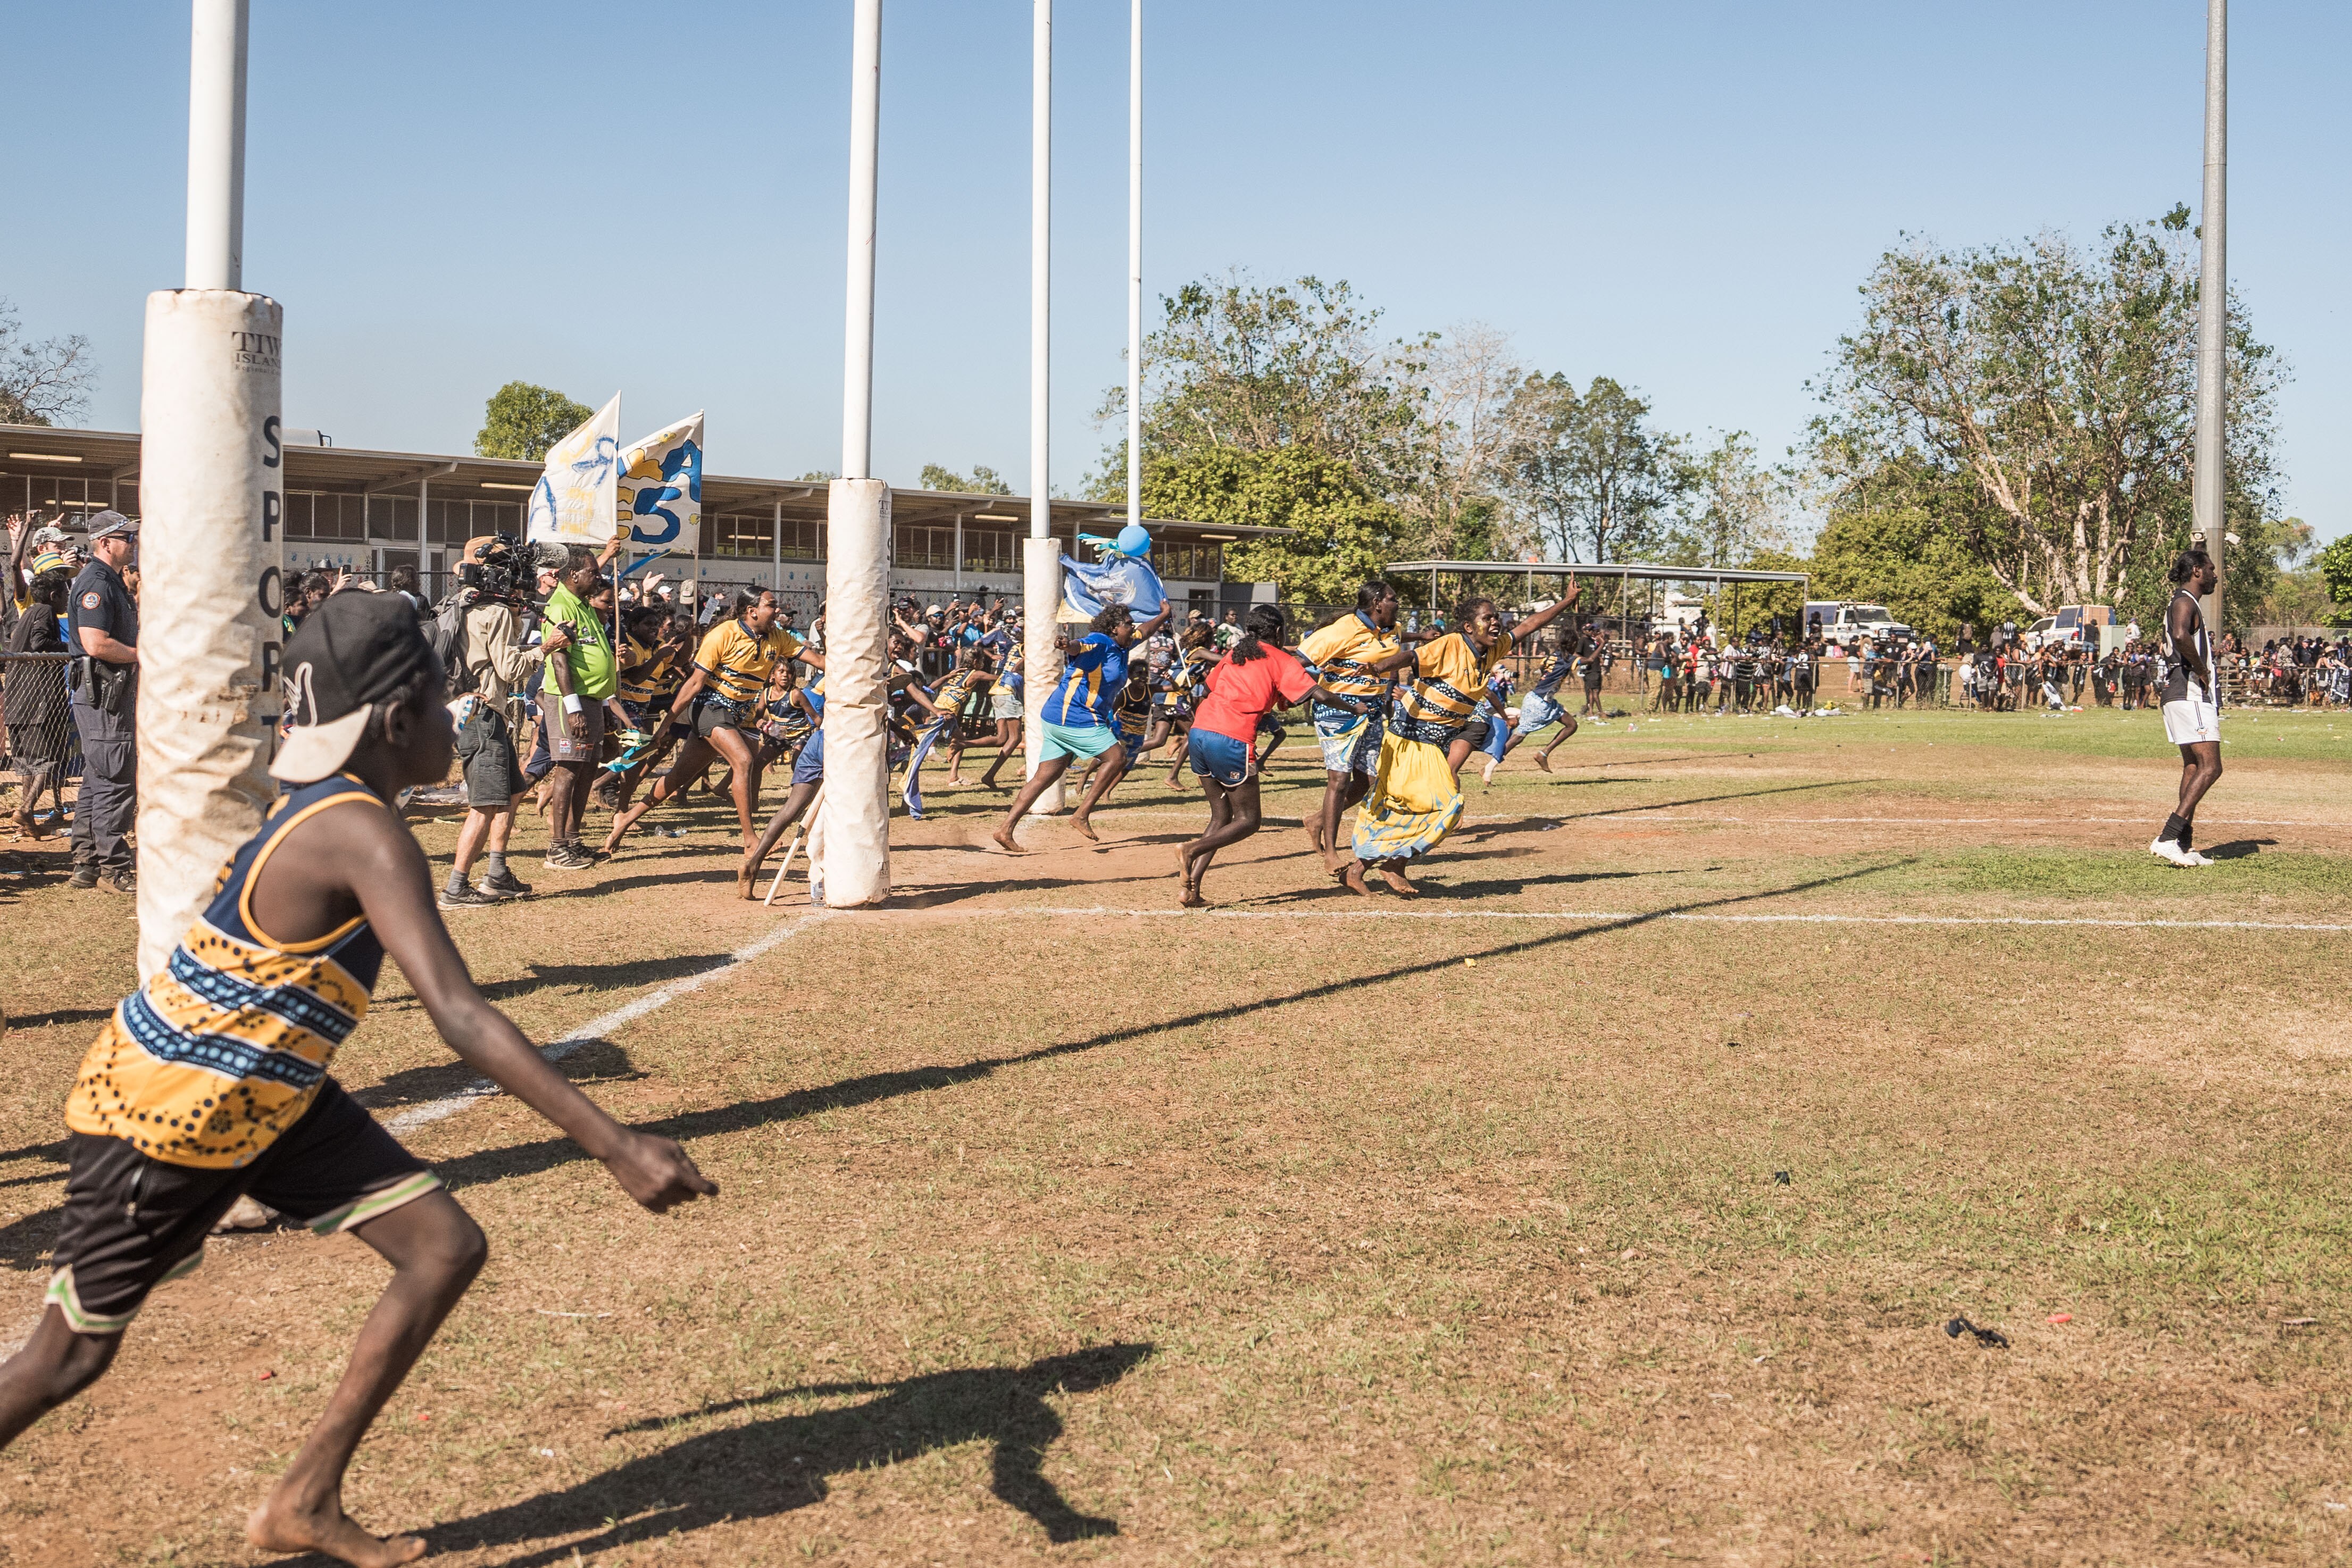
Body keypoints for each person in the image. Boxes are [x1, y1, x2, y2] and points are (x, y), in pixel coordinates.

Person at [0, 593, 714, 1567]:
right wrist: (616, 1143)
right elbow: (459, 1014)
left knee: (442, 1244)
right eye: (440, 693)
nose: (455, 713)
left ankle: (304, 1498)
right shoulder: (359, 830)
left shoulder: (333, 809)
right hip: (169, 1111)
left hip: (268, 1095)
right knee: (66, 1357)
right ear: (394, 720)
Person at [1342, 581, 1579, 896]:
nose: (1495, 622)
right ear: (1469, 626)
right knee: (1446, 805)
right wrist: (1377, 666)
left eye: (1496, 617)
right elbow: (1411, 657)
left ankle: (1363, 869)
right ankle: (1391, 865)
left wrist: (1567, 600)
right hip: (1411, 735)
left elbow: (1530, 624)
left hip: (1438, 738)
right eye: (1487, 618)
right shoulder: (1452, 644)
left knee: (1413, 807)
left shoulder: (1492, 649)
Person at [605, 590, 816, 858]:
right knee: (744, 761)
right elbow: (693, 683)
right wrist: (664, 726)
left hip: (736, 714)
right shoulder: (722, 634)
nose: (778, 610)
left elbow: (818, 661)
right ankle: (751, 840)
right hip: (708, 707)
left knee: (678, 777)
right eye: (771, 605)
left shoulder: (778, 638)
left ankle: (625, 818)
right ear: (752, 611)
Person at [1174, 605, 1355, 905]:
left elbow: (1209, 690)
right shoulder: (1282, 660)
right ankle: (1191, 850)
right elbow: (1318, 695)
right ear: (1280, 632)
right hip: (1231, 738)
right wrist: (1354, 708)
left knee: (1221, 817)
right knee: (1249, 820)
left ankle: (1190, 889)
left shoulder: (1235, 654)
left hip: (1200, 733)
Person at [990, 600, 1172, 854]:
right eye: (1128, 624)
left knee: (1044, 777)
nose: (1133, 628)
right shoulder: (1102, 641)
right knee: (1117, 757)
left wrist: (1164, 614)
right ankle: (1082, 814)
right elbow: (1081, 645)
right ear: (1113, 628)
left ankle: (1005, 830)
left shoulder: (1123, 644)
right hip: (1076, 716)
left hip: (1058, 717)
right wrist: (1067, 645)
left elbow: (1147, 631)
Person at [1296, 580, 1404, 874]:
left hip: (1372, 711)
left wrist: (1426, 635)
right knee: (1339, 780)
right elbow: (1297, 661)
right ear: (1378, 603)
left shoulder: (1392, 628)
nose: (1398, 604)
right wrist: (1308, 693)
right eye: (1394, 599)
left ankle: (1318, 820)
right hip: (1336, 710)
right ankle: (1332, 852)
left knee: (1369, 783)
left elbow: (1388, 644)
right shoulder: (1341, 630)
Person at [66, 512, 140, 893]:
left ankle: (87, 862)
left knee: (98, 778)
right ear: (105, 542)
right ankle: (114, 866)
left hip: (106, 693)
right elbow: (95, 643)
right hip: (104, 694)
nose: (133, 542)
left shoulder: (110, 582)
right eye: (127, 536)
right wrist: (144, 652)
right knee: (116, 775)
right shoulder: (97, 581)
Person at [2151, 549, 2222, 868]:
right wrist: (2202, 669)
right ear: (2197, 571)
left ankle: (2182, 843)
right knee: (2211, 767)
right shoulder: (2184, 601)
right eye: (2211, 568)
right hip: (2189, 692)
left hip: (2180, 694)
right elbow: (2180, 635)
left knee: (2193, 767)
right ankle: (2168, 837)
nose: (2215, 575)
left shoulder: (2185, 602)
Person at [5, 565, 72, 837]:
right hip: (38, 702)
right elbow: (39, 641)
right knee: (46, 760)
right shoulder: (44, 611)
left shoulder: (29, 613)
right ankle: (26, 808)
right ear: (54, 595)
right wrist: (71, 649)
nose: (67, 600)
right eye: (65, 594)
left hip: (18, 702)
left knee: (26, 761)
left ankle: (27, 818)